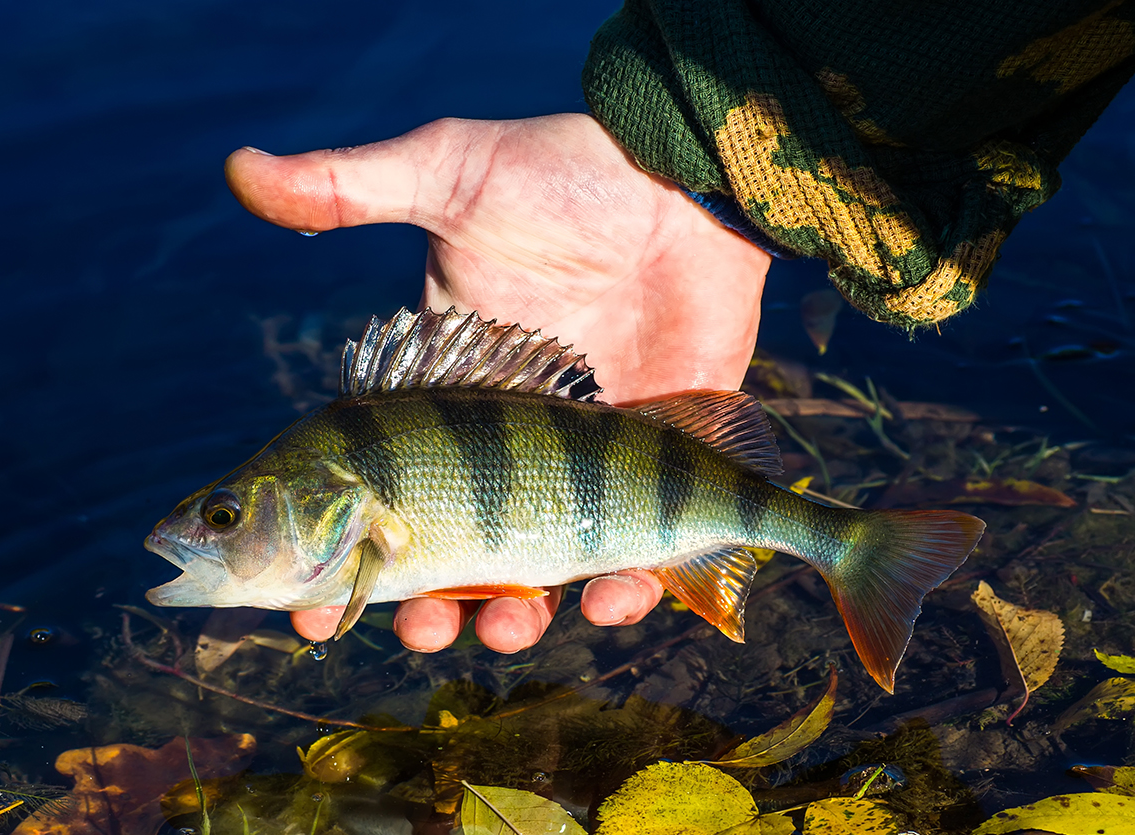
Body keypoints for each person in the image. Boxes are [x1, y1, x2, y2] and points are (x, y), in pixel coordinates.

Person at [223, 0, 1135, 655]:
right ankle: (841, 543)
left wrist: (705, 167)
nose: (214, 532)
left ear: (325, 499)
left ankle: (854, 546)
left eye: (226, 517)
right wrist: (713, 180)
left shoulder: (345, 460)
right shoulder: (350, 463)